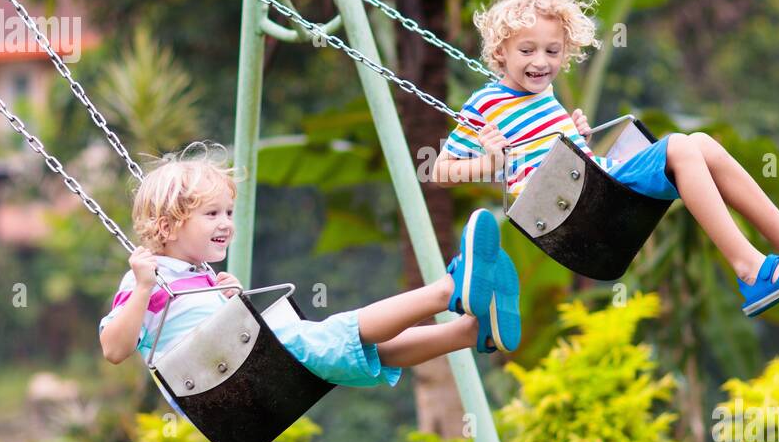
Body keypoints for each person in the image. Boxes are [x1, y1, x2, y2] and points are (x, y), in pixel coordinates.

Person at [431, 0, 779, 317]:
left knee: (700, 142)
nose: (541, 62)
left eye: (552, 51)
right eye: (526, 50)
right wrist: (491, 162)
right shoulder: (484, 102)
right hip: (565, 209)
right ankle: (752, 270)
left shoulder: (545, 95)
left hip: (594, 187)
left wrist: (577, 141)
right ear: (500, 52)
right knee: (681, 146)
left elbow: (545, 148)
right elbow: (440, 171)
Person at [100, 144, 521, 411]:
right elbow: (115, 348)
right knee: (339, 330)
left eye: (229, 212)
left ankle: (471, 332)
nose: (226, 223)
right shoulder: (150, 279)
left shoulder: (203, 277)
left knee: (367, 348)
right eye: (211, 214)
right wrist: (141, 288)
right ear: (170, 226)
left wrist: (231, 304)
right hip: (217, 389)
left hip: (240, 375)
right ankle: (450, 290)